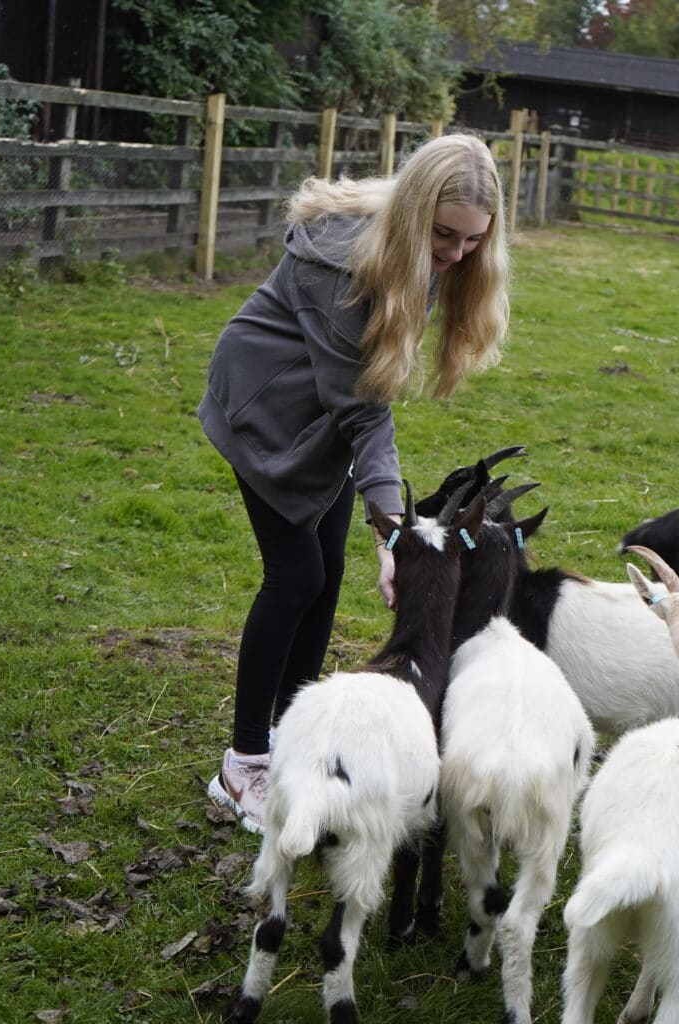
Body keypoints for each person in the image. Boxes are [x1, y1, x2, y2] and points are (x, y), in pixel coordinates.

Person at [197, 134, 510, 834]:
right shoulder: (339, 271)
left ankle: (291, 737)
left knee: (326, 574)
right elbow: (366, 410)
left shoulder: (419, 247)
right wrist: (392, 532)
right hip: (266, 411)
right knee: (296, 577)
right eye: (446, 236)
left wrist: (384, 532)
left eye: (472, 241)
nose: (458, 254)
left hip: (325, 418)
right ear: (415, 212)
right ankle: (242, 761)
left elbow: (359, 405)